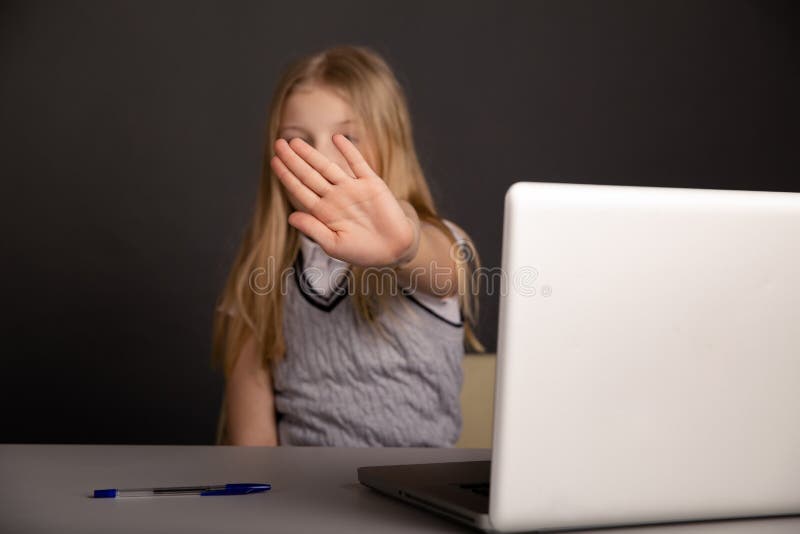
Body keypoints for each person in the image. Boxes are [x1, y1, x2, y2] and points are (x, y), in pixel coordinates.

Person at [212, 45, 483, 447]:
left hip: (413, 496)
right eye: (297, 141)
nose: (321, 155)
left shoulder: (428, 240)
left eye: (346, 137)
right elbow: (254, 447)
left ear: (389, 144)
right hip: (303, 499)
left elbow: (443, 272)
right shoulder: (261, 273)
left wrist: (404, 245)